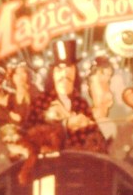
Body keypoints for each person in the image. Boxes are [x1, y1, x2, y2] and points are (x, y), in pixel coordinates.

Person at [18, 37, 107, 185]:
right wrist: (63, 125)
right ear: (52, 73)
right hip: (47, 175)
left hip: (79, 175)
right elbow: (28, 138)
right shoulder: (40, 102)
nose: (64, 75)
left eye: (69, 69)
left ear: (75, 72)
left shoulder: (81, 103)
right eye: (59, 69)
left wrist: (87, 127)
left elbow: (98, 143)